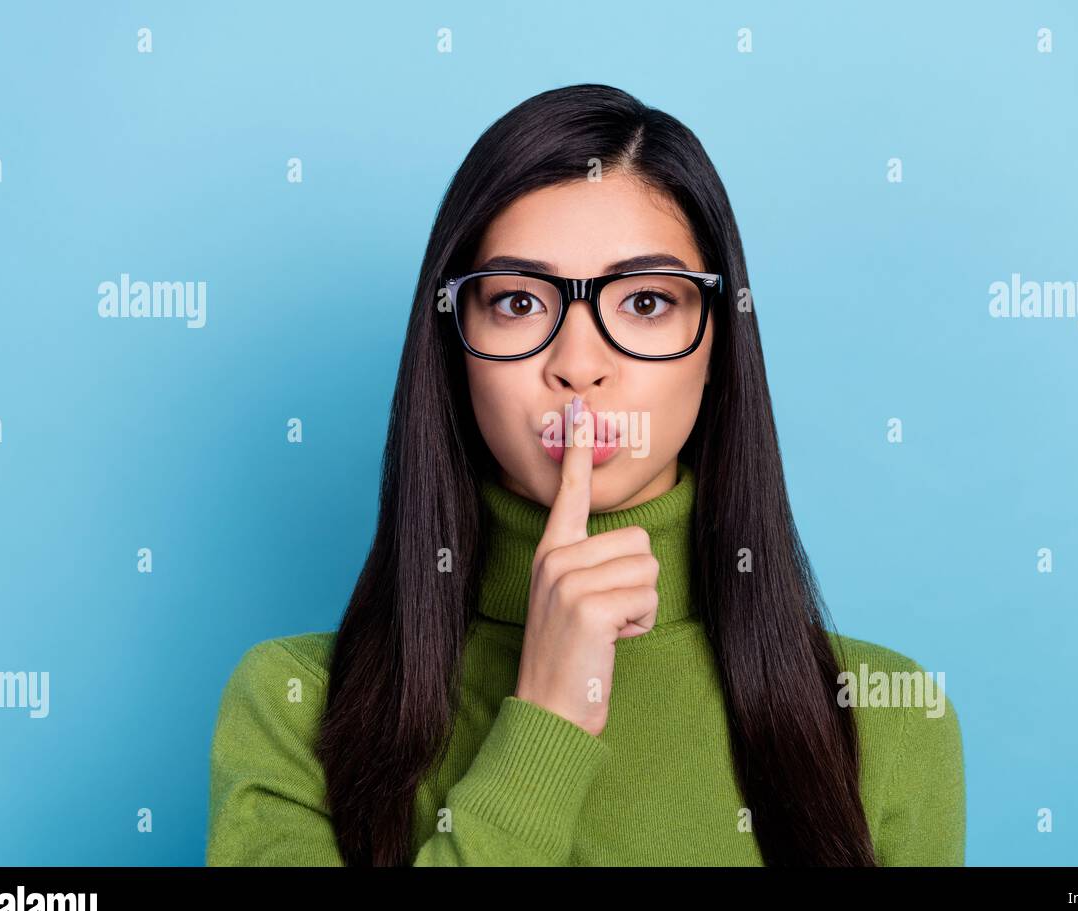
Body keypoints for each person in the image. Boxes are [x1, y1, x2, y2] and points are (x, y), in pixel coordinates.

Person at [206, 83, 965, 866]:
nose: (577, 365)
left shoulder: (887, 719)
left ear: (718, 349)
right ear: (452, 346)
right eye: (518, 303)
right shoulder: (293, 706)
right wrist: (547, 720)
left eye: (643, 301)